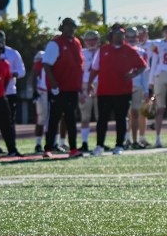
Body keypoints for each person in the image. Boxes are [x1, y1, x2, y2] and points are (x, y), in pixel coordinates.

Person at [88, 25, 148, 155]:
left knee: (121, 119)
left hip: (123, 91)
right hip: (104, 90)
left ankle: (119, 145)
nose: (119, 37)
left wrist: (133, 74)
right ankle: (99, 145)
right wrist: (89, 84)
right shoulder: (103, 50)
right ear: (112, 36)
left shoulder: (130, 50)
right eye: (117, 34)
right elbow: (94, 69)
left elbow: (143, 66)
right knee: (102, 119)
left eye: (121, 34)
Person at [43, 18, 85, 158]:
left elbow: (79, 65)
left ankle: (73, 149)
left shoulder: (77, 43)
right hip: (59, 89)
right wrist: (54, 85)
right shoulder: (55, 43)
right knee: (54, 119)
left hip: (72, 88)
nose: (70, 29)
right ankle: (48, 148)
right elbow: (47, 65)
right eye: (67, 26)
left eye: (72, 26)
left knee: (71, 119)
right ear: (62, 28)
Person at [0, 30, 24, 153]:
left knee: (7, 124)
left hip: (3, 96)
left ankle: (12, 148)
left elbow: (6, 79)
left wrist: (2, 92)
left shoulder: (6, 63)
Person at [125, 27, 150, 148]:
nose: (131, 39)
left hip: (137, 85)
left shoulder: (142, 52)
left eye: (133, 37)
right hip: (123, 86)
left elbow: (145, 73)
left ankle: (135, 140)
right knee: (124, 114)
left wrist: (146, 90)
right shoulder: (120, 51)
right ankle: (125, 139)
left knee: (135, 113)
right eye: (128, 37)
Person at [78, 30, 101, 152]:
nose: (91, 42)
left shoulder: (103, 52)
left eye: (94, 39)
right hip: (85, 84)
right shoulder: (81, 53)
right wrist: (79, 90)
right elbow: (77, 72)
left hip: (101, 84)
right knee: (85, 116)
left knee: (100, 117)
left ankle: (99, 142)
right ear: (85, 41)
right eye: (88, 40)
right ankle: (85, 142)